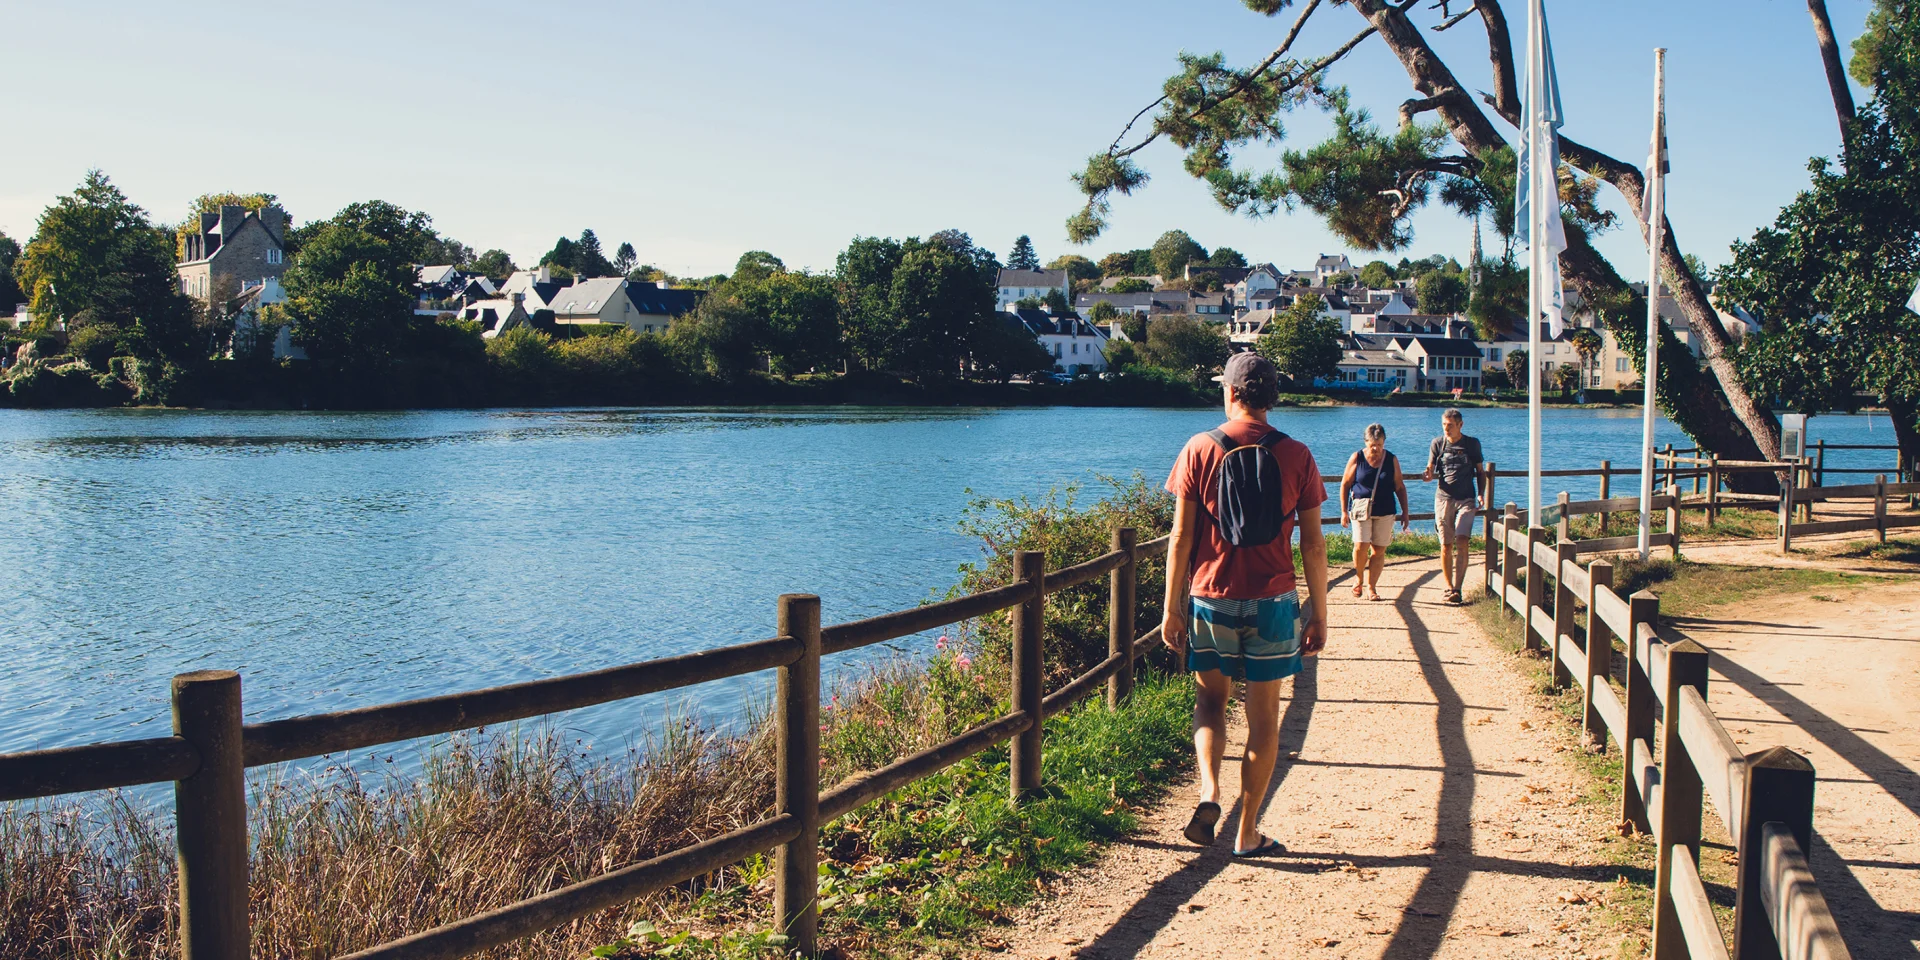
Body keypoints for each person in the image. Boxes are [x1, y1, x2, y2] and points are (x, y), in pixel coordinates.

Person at [1161, 352, 1329, 858]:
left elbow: (1181, 538)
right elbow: (1315, 544)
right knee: (1263, 719)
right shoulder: (1297, 454)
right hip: (1274, 602)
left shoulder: (1198, 448)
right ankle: (1247, 831)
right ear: (1273, 397)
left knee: (1210, 702)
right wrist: (1318, 610)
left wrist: (1172, 608)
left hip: (1210, 598)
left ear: (1230, 393)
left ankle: (1209, 792)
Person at [1338, 423, 1411, 602]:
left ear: (1384, 442)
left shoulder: (1391, 459)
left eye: (1379, 444)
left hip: (1385, 510)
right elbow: (1345, 484)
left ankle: (1372, 587)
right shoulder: (1357, 457)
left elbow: (1400, 487)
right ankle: (1359, 577)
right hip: (1361, 508)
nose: (1376, 448)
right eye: (1373, 445)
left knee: (1379, 550)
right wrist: (1343, 511)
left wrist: (1405, 512)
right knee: (1360, 545)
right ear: (1366, 442)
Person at [1421, 408, 1485, 604]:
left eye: (1450, 425)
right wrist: (1428, 475)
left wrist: (1482, 494)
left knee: (1462, 539)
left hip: (1466, 498)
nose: (1446, 428)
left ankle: (1458, 588)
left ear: (1460, 425)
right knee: (1446, 545)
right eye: (1443, 425)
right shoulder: (1437, 444)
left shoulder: (1471, 444)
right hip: (1444, 498)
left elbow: (1480, 471)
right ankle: (1449, 587)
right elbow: (1430, 468)